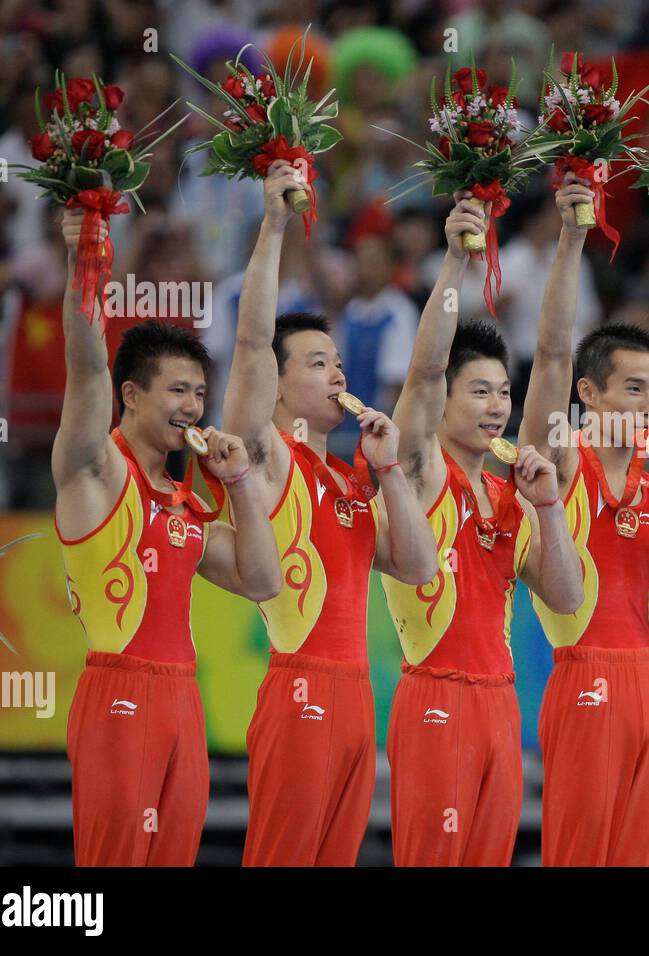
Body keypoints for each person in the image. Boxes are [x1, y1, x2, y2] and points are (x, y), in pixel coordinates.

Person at [223, 161, 438, 866]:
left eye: (338, 361)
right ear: (277, 388)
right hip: (301, 688)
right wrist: (275, 224)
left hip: (354, 703)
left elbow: (417, 564)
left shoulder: (349, 479)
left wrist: (388, 473)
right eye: (316, 363)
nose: (337, 373)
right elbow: (252, 344)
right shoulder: (271, 457)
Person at [54, 208, 281, 866]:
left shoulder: (184, 504)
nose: (193, 405)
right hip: (118, 694)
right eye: (177, 390)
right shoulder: (95, 471)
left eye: (199, 393)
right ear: (130, 396)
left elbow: (263, 582)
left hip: (184, 700)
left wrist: (238, 483)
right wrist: (86, 261)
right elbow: (87, 371)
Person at [383, 193, 583, 867]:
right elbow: (424, 369)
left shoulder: (512, 496)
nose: (498, 407)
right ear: (445, 400)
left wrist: (550, 508)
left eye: (503, 392)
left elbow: (564, 598)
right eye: (481, 391)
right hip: (435, 699)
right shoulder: (420, 471)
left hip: (501, 706)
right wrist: (455, 263)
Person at [519, 173, 649, 866]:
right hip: (583, 678)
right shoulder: (564, 458)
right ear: (589, 395)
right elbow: (551, 354)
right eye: (633, 388)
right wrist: (571, 239)